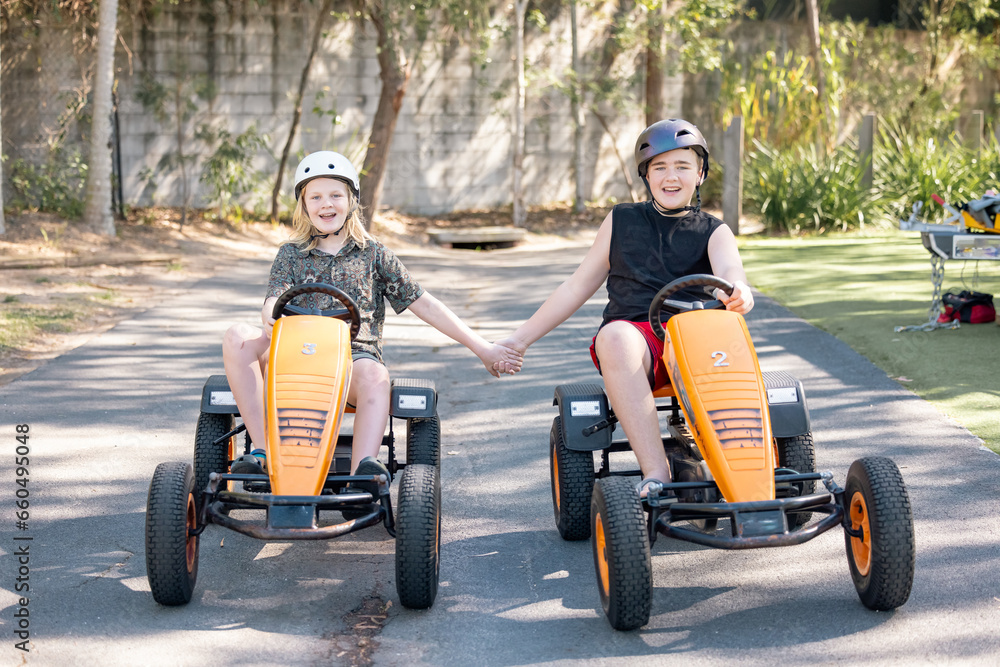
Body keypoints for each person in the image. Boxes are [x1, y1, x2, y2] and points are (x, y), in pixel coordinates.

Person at [223, 150, 522, 480]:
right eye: (316, 196)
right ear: (304, 204)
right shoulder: (291, 254)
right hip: (294, 356)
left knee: (376, 375)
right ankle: (262, 451)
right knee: (238, 335)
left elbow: (424, 303)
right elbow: (275, 295)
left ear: (351, 200)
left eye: (336, 195)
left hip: (352, 360)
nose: (327, 204)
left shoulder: (375, 255)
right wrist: (269, 310)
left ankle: (362, 471)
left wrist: (483, 348)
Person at [494, 119, 754, 494]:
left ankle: (752, 478)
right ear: (646, 175)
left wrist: (739, 291)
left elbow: (731, 272)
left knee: (733, 343)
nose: (671, 176)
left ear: (699, 174)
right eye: (660, 167)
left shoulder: (715, 231)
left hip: (700, 345)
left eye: (682, 166)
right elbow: (577, 285)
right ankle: (657, 472)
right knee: (615, 336)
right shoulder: (622, 220)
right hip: (639, 342)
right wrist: (519, 340)